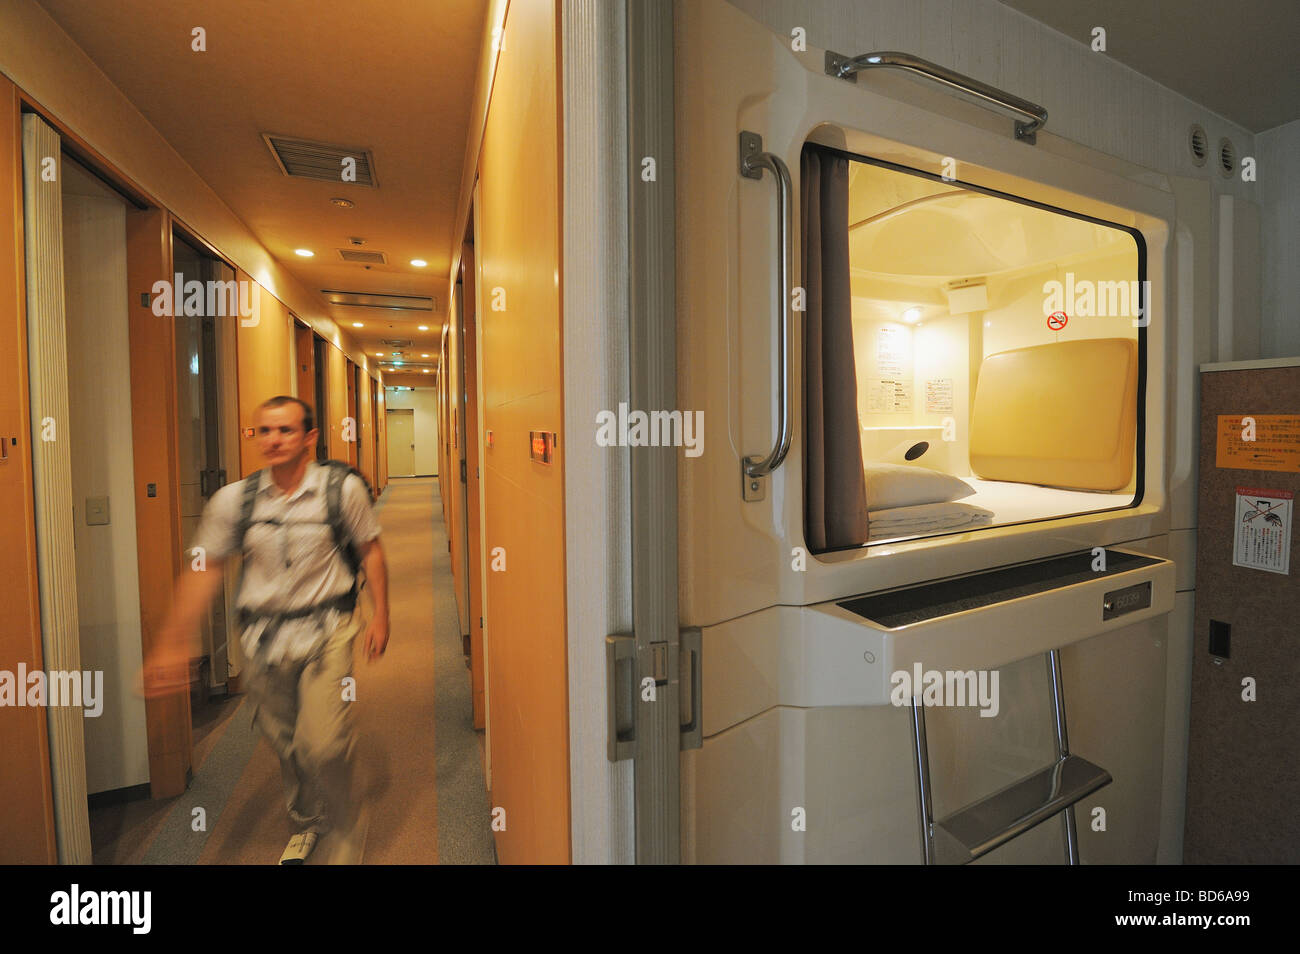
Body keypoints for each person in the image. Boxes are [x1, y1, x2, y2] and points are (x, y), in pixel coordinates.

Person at [143, 395, 390, 864]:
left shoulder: (342, 491)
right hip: (262, 640)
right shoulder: (234, 501)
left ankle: (343, 824)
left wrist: (381, 614)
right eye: (265, 431)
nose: (273, 440)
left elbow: (370, 550)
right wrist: (173, 643)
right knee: (286, 741)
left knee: (325, 739)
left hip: (328, 630)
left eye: (286, 430)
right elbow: (204, 570)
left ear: (310, 437)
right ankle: (304, 821)